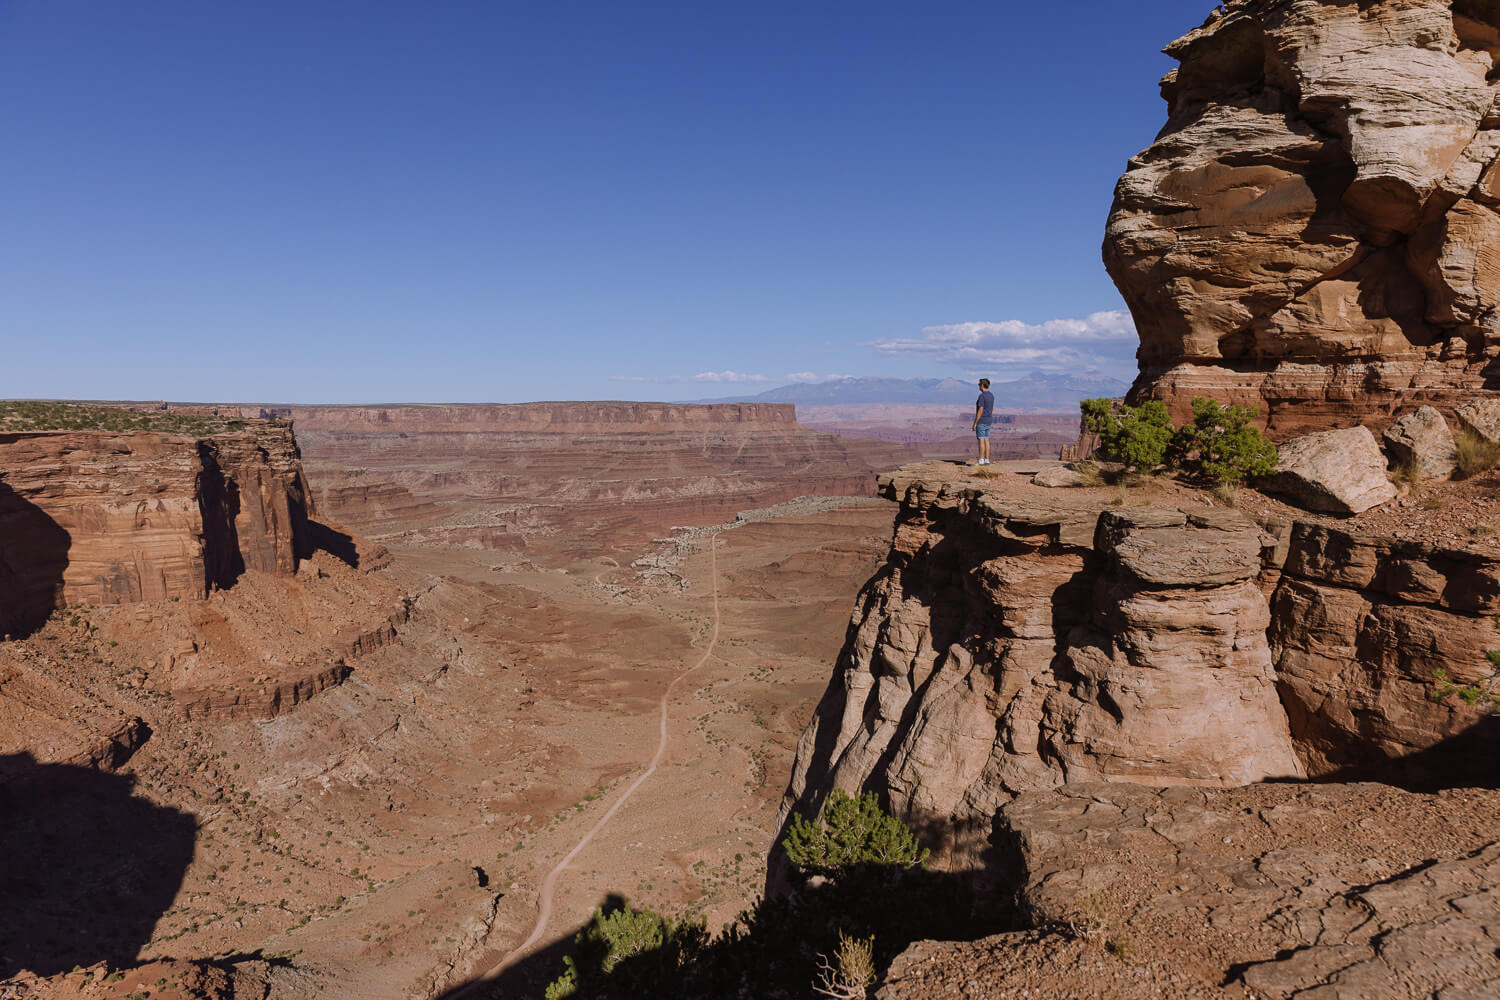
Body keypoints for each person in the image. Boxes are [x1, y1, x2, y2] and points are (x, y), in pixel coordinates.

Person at [973, 378, 994, 465]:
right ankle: (987, 460)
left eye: (979, 385)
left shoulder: (982, 396)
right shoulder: (991, 395)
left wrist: (975, 423)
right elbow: (992, 408)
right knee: (986, 440)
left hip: (981, 420)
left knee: (981, 440)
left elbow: (980, 410)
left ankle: (981, 460)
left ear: (982, 385)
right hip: (989, 420)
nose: (978, 386)